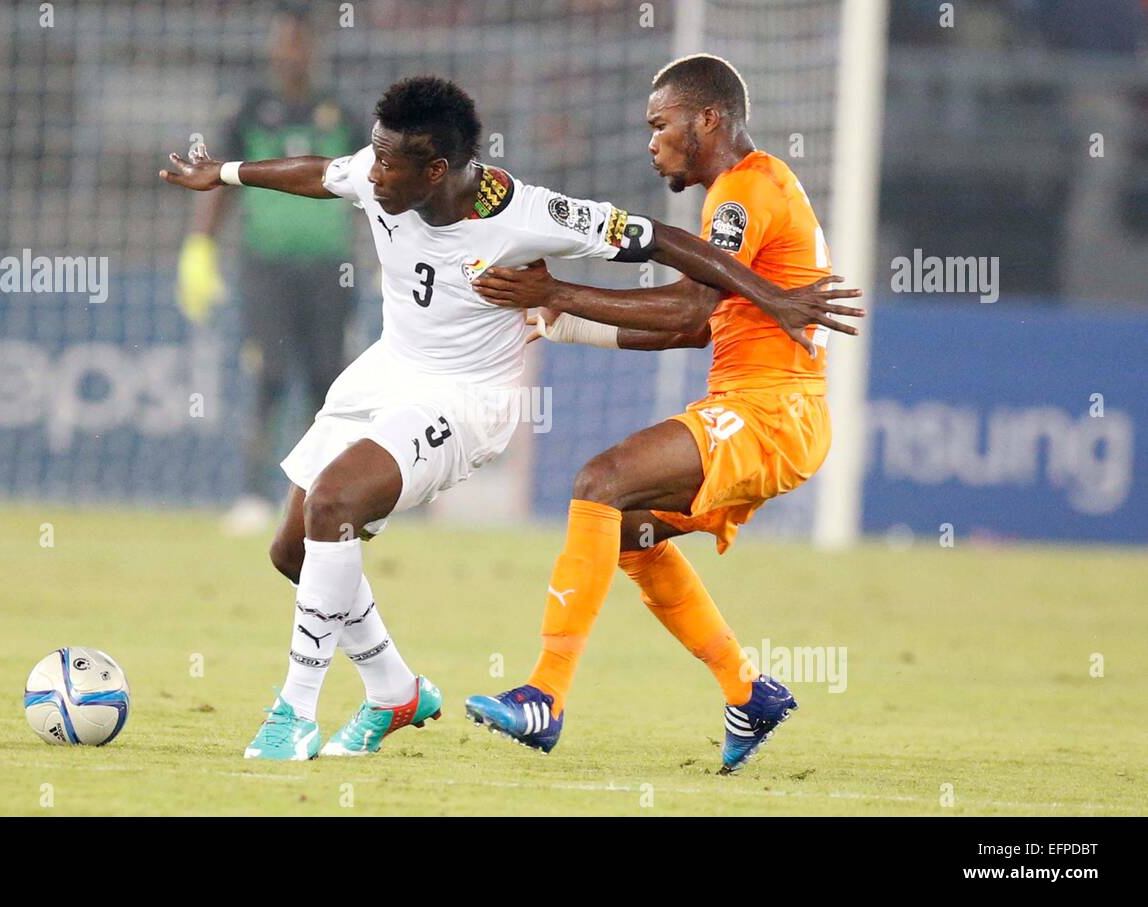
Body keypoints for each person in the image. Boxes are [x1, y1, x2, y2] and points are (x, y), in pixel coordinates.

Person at [159, 74, 861, 761]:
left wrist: (759, 295)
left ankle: (320, 710)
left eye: (659, 125)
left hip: (471, 399)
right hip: (385, 372)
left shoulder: (543, 214)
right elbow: (320, 172)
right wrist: (221, 173)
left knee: (583, 484)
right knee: (296, 550)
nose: (370, 173)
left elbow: (676, 284)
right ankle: (397, 689)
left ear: (436, 170)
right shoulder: (380, 175)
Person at [466, 54, 862, 773]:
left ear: (706, 119)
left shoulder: (743, 195)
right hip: (762, 411)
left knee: (598, 480)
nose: (652, 142)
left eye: (660, 124)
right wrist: (564, 316)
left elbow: (687, 307)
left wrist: (556, 290)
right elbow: (691, 326)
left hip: (772, 412)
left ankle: (544, 698)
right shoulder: (749, 190)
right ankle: (747, 690)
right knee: (618, 529)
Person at [176, 11, 357, 535]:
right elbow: (219, 182)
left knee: (328, 384)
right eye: (282, 43)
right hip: (266, 266)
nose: (290, 52)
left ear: (313, 48)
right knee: (270, 378)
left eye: (298, 42)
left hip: (331, 267)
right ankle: (254, 495)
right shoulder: (249, 109)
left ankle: (317, 495)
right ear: (273, 49)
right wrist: (198, 248)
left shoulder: (341, 111)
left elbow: (371, 186)